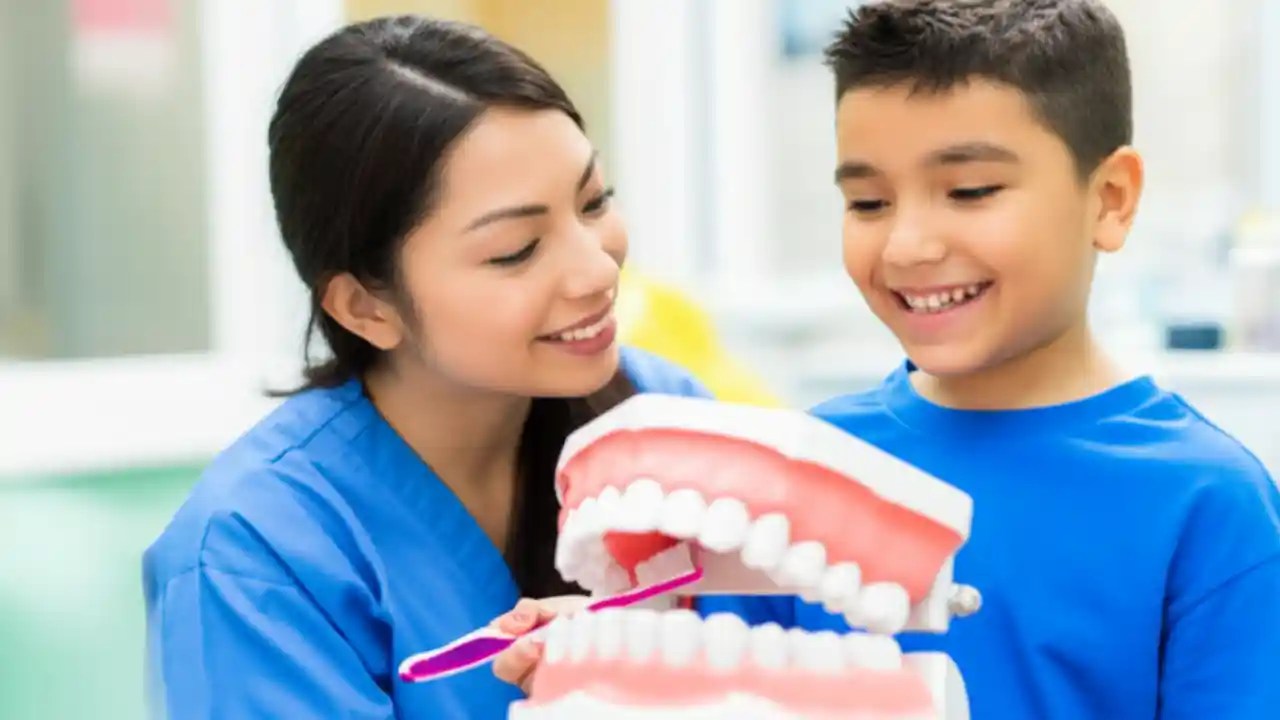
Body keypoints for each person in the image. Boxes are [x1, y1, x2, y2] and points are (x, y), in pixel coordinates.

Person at [496, 2, 1280, 718]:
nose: (907, 246)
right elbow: (728, 684)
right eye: (868, 203)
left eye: (970, 190)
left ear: (1109, 199)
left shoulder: (1209, 504)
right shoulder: (801, 476)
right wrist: (613, 657)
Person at [141, 15, 712, 719]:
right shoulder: (254, 554)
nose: (597, 269)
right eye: (515, 249)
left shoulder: (666, 426)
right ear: (365, 307)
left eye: (594, 203)